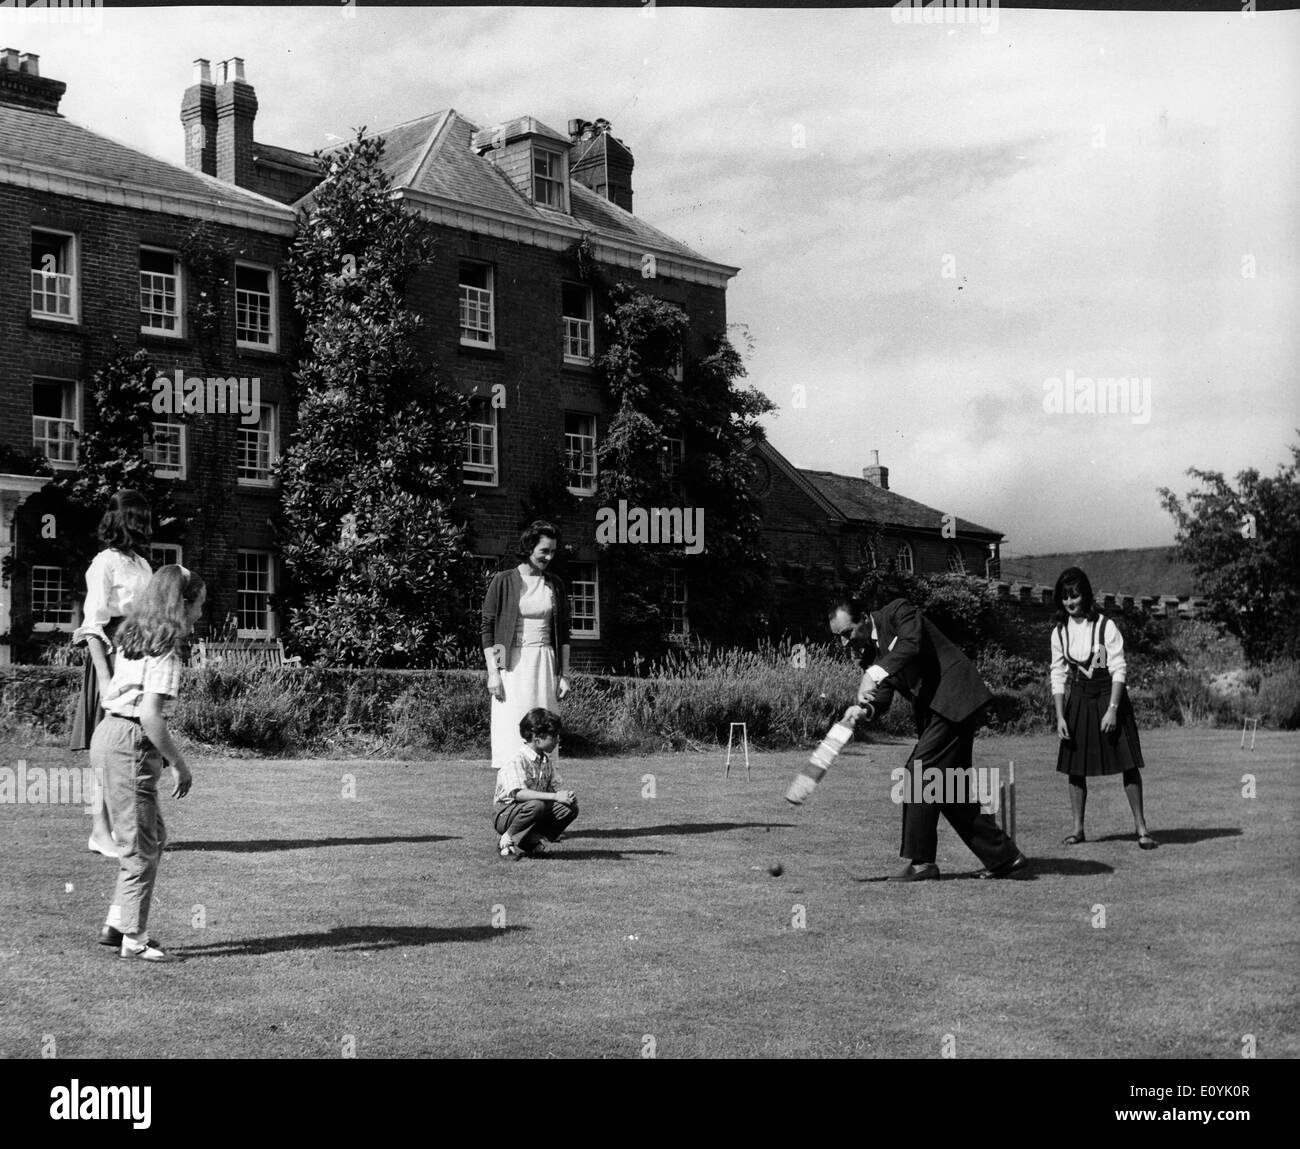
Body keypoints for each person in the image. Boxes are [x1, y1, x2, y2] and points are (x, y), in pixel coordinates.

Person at [829, 596, 1028, 881]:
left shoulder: (898, 611)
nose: (844, 644)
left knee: (918, 774)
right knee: (949, 790)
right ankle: (1005, 858)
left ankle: (922, 863)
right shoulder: (869, 653)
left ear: (863, 617)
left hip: (955, 696)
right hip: (938, 711)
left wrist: (872, 673)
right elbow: (881, 697)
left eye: (847, 634)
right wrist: (863, 710)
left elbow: (912, 645)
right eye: (838, 638)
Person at [94, 565, 204, 962]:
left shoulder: (134, 637)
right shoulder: (167, 647)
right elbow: (150, 715)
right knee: (141, 848)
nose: (201, 615)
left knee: (150, 837)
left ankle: (116, 924)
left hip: (109, 735)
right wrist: (179, 763)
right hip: (131, 743)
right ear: (183, 603)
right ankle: (134, 940)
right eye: (200, 605)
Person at [70, 490, 154, 859]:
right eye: (140, 517)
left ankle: (125, 828)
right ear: (125, 521)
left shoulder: (141, 564)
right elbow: (92, 626)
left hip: (137, 658)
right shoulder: (104, 563)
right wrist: (105, 681)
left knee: (128, 747)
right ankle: (98, 831)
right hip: (110, 659)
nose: (145, 525)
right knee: (104, 748)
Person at [1051, 567, 1156, 849]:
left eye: (1074, 596)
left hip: (1109, 696)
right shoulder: (1059, 633)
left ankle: (1142, 828)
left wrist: (1112, 708)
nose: (1070, 602)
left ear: (1085, 594)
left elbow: (1119, 668)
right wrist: (1060, 715)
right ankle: (1078, 829)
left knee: (1128, 763)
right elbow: (1058, 675)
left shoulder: (1105, 626)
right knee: (1076, 768)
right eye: (1065, 598)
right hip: (1080, 700)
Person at [481, 520, 571, 771]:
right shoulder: (503, 581)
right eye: (544, 550)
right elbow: (489, 629)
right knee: (512, 730)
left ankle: (543, 794)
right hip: (512, 668)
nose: (549, 557)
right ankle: (512, 796)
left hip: (544, 665)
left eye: (553, 551)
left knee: (544, 728)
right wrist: (494, 673)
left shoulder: (555, 585)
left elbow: (564, 634)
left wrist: (564, 675)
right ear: (529, 547)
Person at [493, 708, 578, 859]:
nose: (558, 739)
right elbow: (518, 794)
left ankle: (530, 841)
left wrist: (566, 796)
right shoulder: (517, 760)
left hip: (531, 809)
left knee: (569, 807)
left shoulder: (546, 761)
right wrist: (555, 796)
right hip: (506, 813)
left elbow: (556, 788)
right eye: (553, 735)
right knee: (536, 805)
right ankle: (507, 839)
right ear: (537, 738)